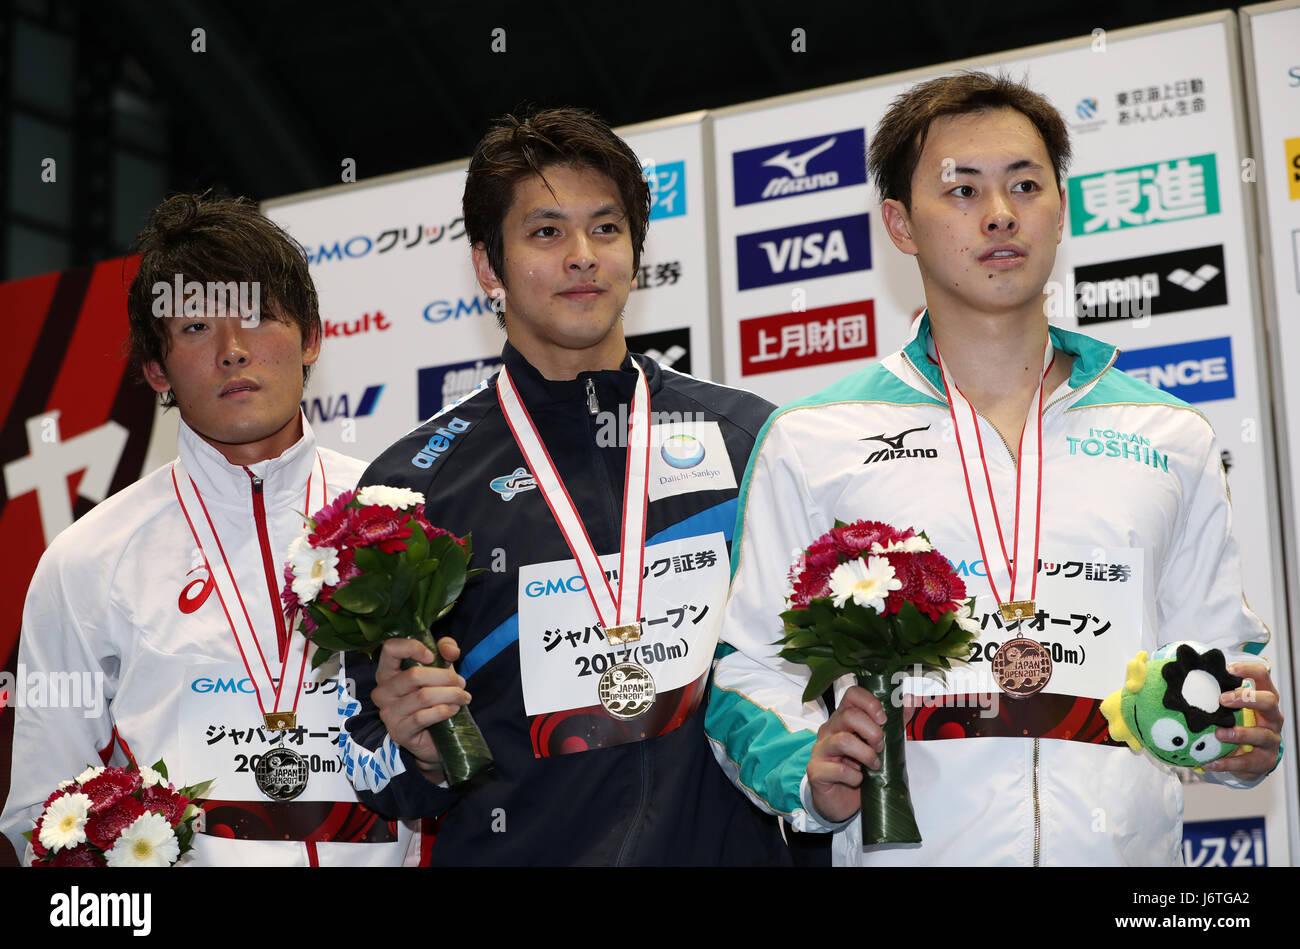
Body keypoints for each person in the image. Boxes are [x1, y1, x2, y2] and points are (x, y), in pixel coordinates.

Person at [705, 72, 1285, 865]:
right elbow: (745, 672)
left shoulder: (1167, 431)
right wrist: (803, 770)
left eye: (1025, 184)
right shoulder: (816, 436)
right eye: (963, 190)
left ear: (1061, 207)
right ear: (901, 225)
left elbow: (1217, 657)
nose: (1001, 212)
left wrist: (1243, 734)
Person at [337, 107, 788, 865]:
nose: (583, 256)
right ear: (489, 266)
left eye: (606, 229)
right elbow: (372, 769)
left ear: (636, 252)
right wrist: (414, 747)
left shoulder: (754, 440)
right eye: (546, 232)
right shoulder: (413, 487)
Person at [1, 193, 419, 865]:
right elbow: (43, 818)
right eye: (195, 327)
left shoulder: (401, 525)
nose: (232, 351)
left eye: (256, 317)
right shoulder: (86, 562)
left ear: (312, 335)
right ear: (156, 368)